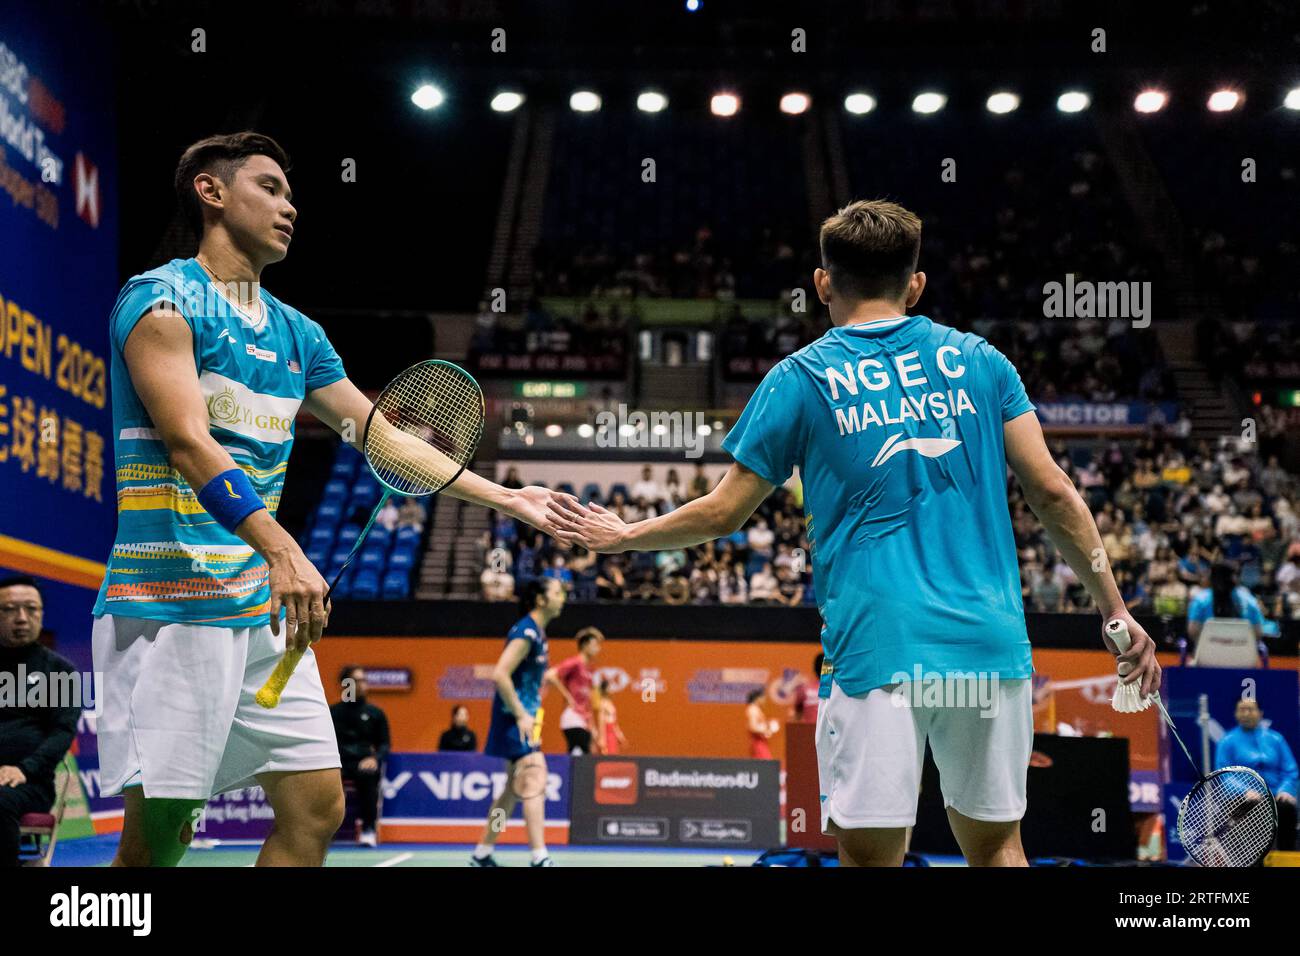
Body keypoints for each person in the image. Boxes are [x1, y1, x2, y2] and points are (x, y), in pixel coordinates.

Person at [548, 199, 1161, 867]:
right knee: (996, 848)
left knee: (871, 856)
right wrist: (1115, 611)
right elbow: (1053, 493)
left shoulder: (799, 378)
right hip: (985, 646)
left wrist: (624, 534)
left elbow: (724, 512)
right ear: (916, 283)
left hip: (877, 653)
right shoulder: (982, 362)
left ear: (822, 283)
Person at [91, 132, 567, 868]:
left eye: (290, 192)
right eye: (270, 187)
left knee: (317, 809)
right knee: (157, 844)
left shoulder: (296, 333)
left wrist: (506, 496)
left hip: (259, 614)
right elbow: (188, 443)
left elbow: (382, 436)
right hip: (175, 606)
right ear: (211, 193)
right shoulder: (160, 300)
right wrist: (283, 548)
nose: (290, 205)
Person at [470, 578, 566, 867]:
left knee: (513, 789)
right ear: (540, 599)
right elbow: (500, 674)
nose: (563, 598)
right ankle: (539, 857)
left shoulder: (537, 632)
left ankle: (482, 853)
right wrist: (523, 714)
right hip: (515, 719)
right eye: (557, 593)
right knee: (535, 777)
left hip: (520, 717)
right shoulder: (526, 632)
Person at [0, 577, 79, 867]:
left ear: (41, 614)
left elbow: (62, 732)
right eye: (9, 609)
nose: (21, 618)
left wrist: (23, 769)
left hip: (29, 784)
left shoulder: (60, 672)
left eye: (30, 609)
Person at [1214, 698, 1298, 851]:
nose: (1246, 713)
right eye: (1242, 709)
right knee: (1254, 812)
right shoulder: (1227, 741)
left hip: (1274, 796)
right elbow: (1224, 775)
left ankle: (1287, 858)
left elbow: (1290, 770)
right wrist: (1244, 791)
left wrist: (1285, 789)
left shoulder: (1276, 739)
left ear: (1260, 713)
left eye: (1250, 709)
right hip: (1242, 798)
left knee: (1287, 808)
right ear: (1236, 714)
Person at [329, 666, 390, 847]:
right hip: (336, 762)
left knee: (369, 775)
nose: (363, 684)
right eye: (357, 680)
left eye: (364, 680)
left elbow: (385, 745)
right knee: (322, 779)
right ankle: (324, 830)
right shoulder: (332, 713)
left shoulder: (375, 714)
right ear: (346, 684)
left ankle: (368, 830)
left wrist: (375, 758)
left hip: (362, 763)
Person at [546, 627, 603, 754]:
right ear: (584, 645)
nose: (598, 649)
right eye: (594, 645)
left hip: (584, 720)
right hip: (573, 719)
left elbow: (587, 702)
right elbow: (550, 675)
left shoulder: (589, 670)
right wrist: (567, 696)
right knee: (581, 762)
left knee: (580, 760)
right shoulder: (575, 663)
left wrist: (592, 726)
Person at [1187, 562, 1265, 647]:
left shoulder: (1200, 600)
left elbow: (1193, 632)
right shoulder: (1250, 601)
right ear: (1234, 579)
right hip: (1241, 659)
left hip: (1207, 659)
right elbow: (1258, 634)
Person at [594, 680, 626, 755]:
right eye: (609, 687)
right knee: (606, 756)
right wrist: (602, 738)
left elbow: (614, 722)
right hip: (606, 732)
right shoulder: (602, 703)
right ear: (605, 689)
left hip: (612, 734)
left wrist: (619, 735)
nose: (611, 689)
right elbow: (601, 721)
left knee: (613, 756)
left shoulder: (610, 702)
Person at [746, 688, 776, 759]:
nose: (764, 700)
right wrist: (768, 728)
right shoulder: (752, 709)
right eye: (763, 698)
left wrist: (769, 728)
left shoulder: (756, 709)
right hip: (758, 743)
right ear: (758, 698)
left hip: (762, 742)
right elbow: (752, 727)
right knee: (765, 765)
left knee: (765, 765)